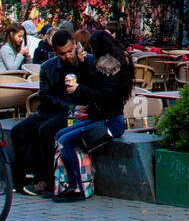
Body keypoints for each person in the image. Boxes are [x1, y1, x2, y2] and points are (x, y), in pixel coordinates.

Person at [53, 31, 133, 202]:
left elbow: (105, 95)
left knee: (65, 141)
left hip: (109, 123)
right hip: (101, 118)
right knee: (59, 135)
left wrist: (79, 89)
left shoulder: (110, 66)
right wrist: (82, 66)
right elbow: (95, 86)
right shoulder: (111, 62)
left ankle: (76, 187)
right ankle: (67, 183)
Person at [13, 29, 94, 197]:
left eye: (70, 51)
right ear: (55, 52)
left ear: (75, 45)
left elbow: (94, 88)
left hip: (76, 115)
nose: (68, 56)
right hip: (55, 111)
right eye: (63, 53)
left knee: (46, 130)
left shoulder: (85, 62)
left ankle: (47, 182)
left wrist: (85, 64)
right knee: (18, 131)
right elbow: (45, 96)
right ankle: (22, 180)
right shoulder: (47, 67)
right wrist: (68, 107)